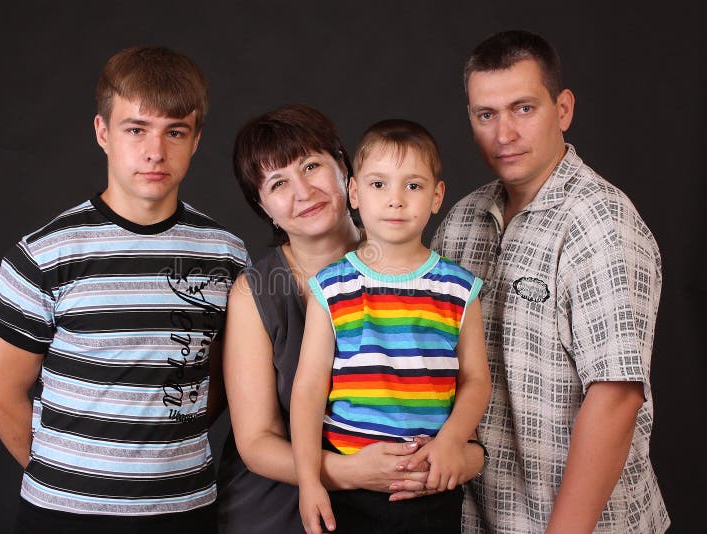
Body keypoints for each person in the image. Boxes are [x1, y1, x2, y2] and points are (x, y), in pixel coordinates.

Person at [0, 46, 247, 533]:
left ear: (196, 140)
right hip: (65, 515)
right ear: (103, 132)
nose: (155, 151)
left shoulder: (226, 256)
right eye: (136, 129)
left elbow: (225, 381)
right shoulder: (44, 254)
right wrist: (68, 479)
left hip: (186, 511)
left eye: (175, 132)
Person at [431, 30, 670, 533]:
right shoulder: (461, 220)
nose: (503, 134)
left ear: (562, 109)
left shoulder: (601, 222)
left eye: (523, 108)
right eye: (485, 114)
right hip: (481, 515)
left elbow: (616, 396)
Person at [217, 105, 488, 534]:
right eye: (279, 183)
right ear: (263, 205)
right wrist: (350, 473)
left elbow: (447, 395)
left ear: (346, 172)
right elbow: (256, 442)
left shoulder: (415, 258)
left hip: (409, 497)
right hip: (280, 507)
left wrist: (465, 452)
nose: (303, 191)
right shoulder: (256, 292)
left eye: (311, 166)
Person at [291, 119, 491, 534]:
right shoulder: (331, 287)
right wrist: (309, 482)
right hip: (351, 488)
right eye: (379, 185)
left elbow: (476, 379)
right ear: (355, 193)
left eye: (413, 186)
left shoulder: (459, 288)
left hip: (430, 483)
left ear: (437, 196)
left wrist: (453, 440)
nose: (396, 200)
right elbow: (309, 389)